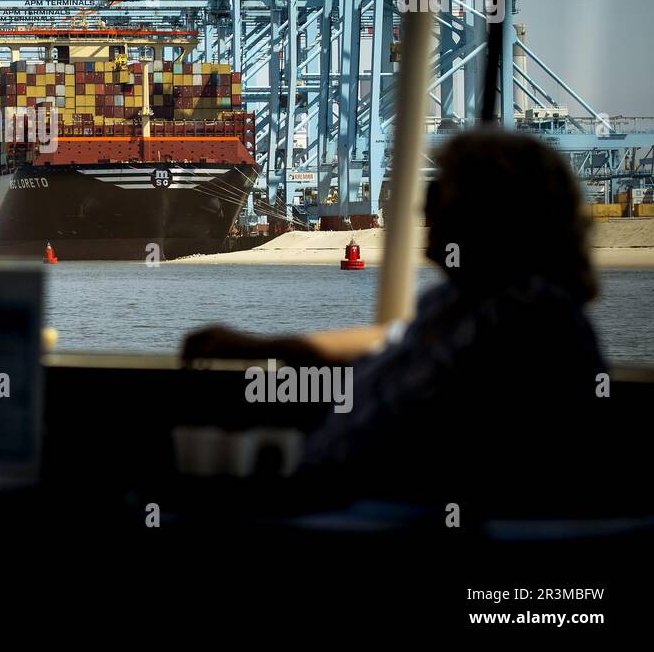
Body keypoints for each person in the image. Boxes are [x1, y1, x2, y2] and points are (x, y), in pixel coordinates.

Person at [182, 128, 609, 512]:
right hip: (349, 496)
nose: (426, 204)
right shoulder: (460, 300)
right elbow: (393, 339)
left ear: (496, 212)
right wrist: (262, 347)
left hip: (384, 512)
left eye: (440, 190)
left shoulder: (529, 318)